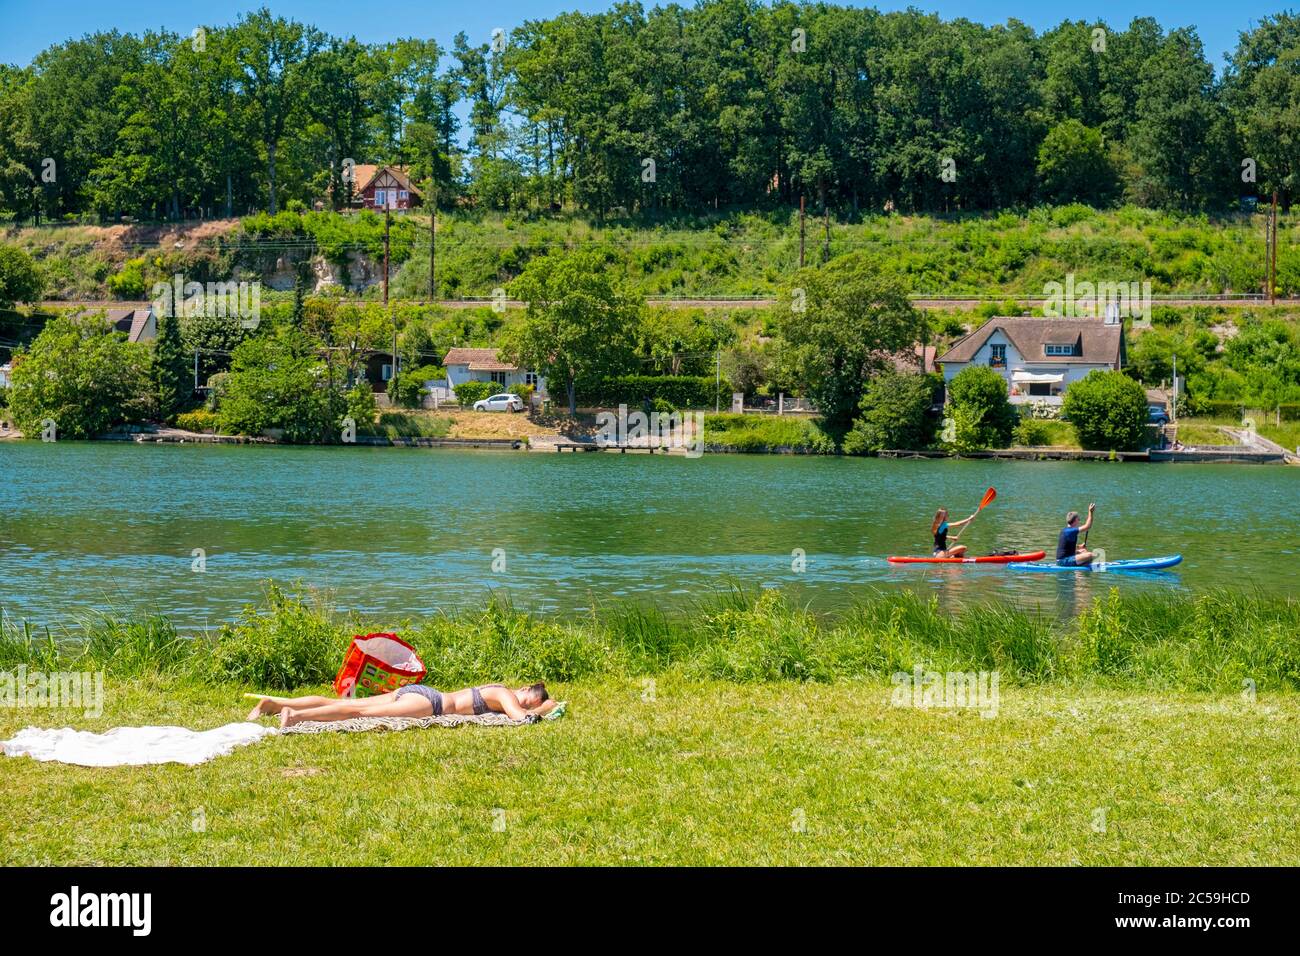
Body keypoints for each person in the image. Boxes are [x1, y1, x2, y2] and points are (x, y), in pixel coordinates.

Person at [247, 682, 558, 729]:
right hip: (430, 703)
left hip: (420, 692)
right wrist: (543, 710)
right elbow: (521, 718)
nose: (523, 703)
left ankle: (274, 703)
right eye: (529, 699)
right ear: (525, 689)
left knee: (349, 702)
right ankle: (296, 715)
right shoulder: (506, 694)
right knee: (357, 712)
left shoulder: (497, 688)